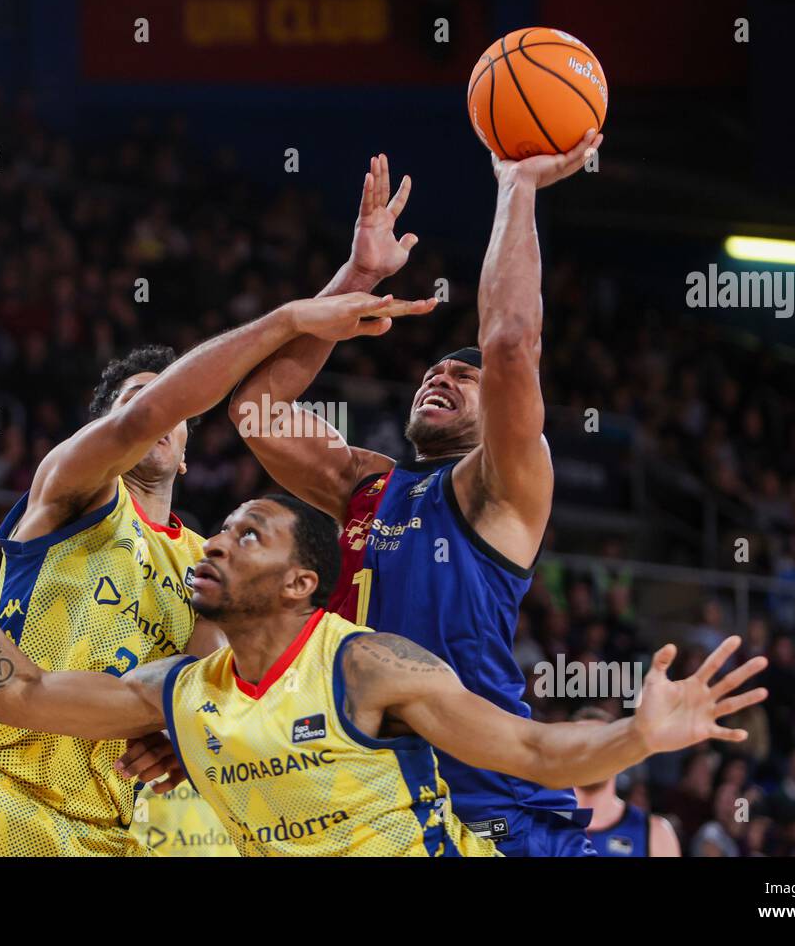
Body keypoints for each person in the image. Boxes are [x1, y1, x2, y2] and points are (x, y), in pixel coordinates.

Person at [0, 421, 768, 856]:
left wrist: (641, 737)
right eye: (218, 530)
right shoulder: (182, 695)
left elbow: (534, 747)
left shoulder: (366, 665)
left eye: (248, 534)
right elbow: (17, 694)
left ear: (303, 582)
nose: (217, 540)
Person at [0, 287, 435, 855]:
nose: (157, 412)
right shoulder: (76, 491)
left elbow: (206, 697)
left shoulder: (208, 563)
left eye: (173, 408)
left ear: (188, 453)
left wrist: (180, 743)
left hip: (111, 833)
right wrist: (291, 318)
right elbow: (148, 415)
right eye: (137, 401)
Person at [228, 140, 619, 854]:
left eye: (459, 380)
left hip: (490, 803)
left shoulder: (501, 487)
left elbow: (506, 345)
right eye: (432, 372)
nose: (440, 377)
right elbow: (252, 407)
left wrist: (518, 183)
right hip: (372, 802)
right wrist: (355, 278)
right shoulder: (365, 482)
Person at [572, 706, 681, 857]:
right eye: (582, 744)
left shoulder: (655, 834)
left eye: (602, 743)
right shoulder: (535, 827)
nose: (592, 752)